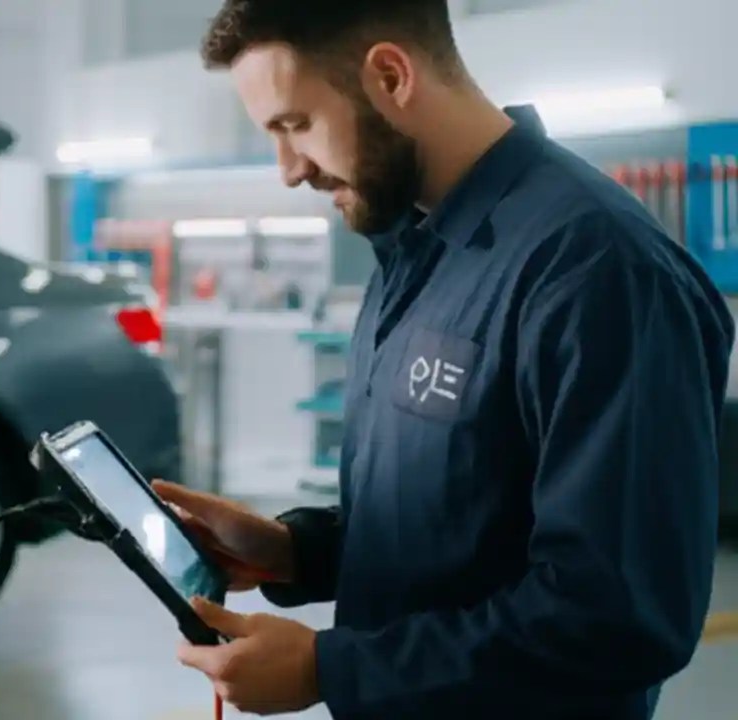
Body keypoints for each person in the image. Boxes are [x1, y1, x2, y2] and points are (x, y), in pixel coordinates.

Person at [152, 1, 737, 718]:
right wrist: (294, 551)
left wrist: (330, 669)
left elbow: (618, 614)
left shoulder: (596, 271)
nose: (288, 170)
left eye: (295, 125)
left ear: (392, 76)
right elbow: (466, 520)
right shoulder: (413, 252)